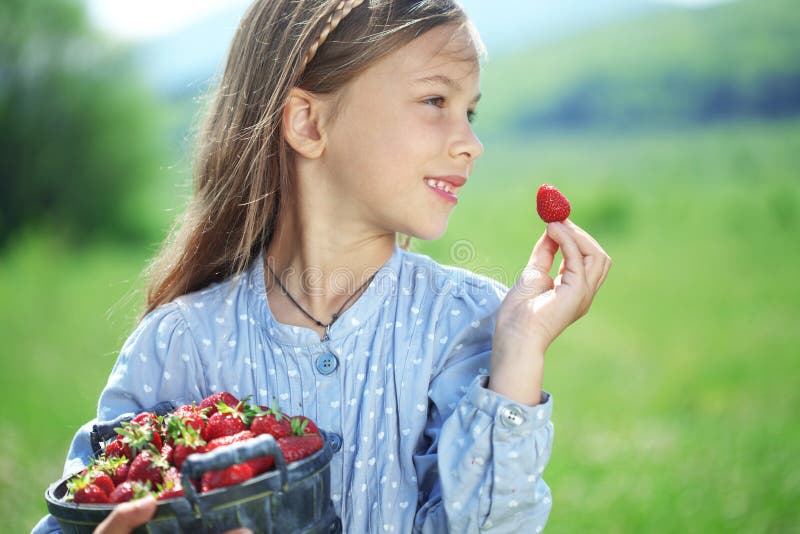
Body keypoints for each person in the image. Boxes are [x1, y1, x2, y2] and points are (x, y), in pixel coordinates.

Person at [33, 0, 610, 532]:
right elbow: (82, 510)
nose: (470, 143)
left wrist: (519, 353)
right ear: (309, 123)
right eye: (436, 101)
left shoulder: (468, 326)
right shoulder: (179, 344)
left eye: (471, 112)